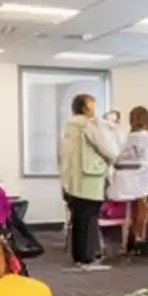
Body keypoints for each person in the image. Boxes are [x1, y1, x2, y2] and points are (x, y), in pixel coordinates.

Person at [59, 93, 118, 270]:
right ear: (86, 108)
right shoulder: (87, 125)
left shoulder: (70, 126)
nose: (95, 110)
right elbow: (108, 149)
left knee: (79, 218)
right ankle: (86, 258)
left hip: (73, 179)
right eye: (92, 105)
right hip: (89, 178)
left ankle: (80, 257)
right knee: (88, 217)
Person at [107, 106, 148, 254]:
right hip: (140, 179)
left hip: (123, 180)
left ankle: (129, 242)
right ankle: (138, 240)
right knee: (141, 211)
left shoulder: (127, 137)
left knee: (131, 213)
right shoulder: (147, 137)